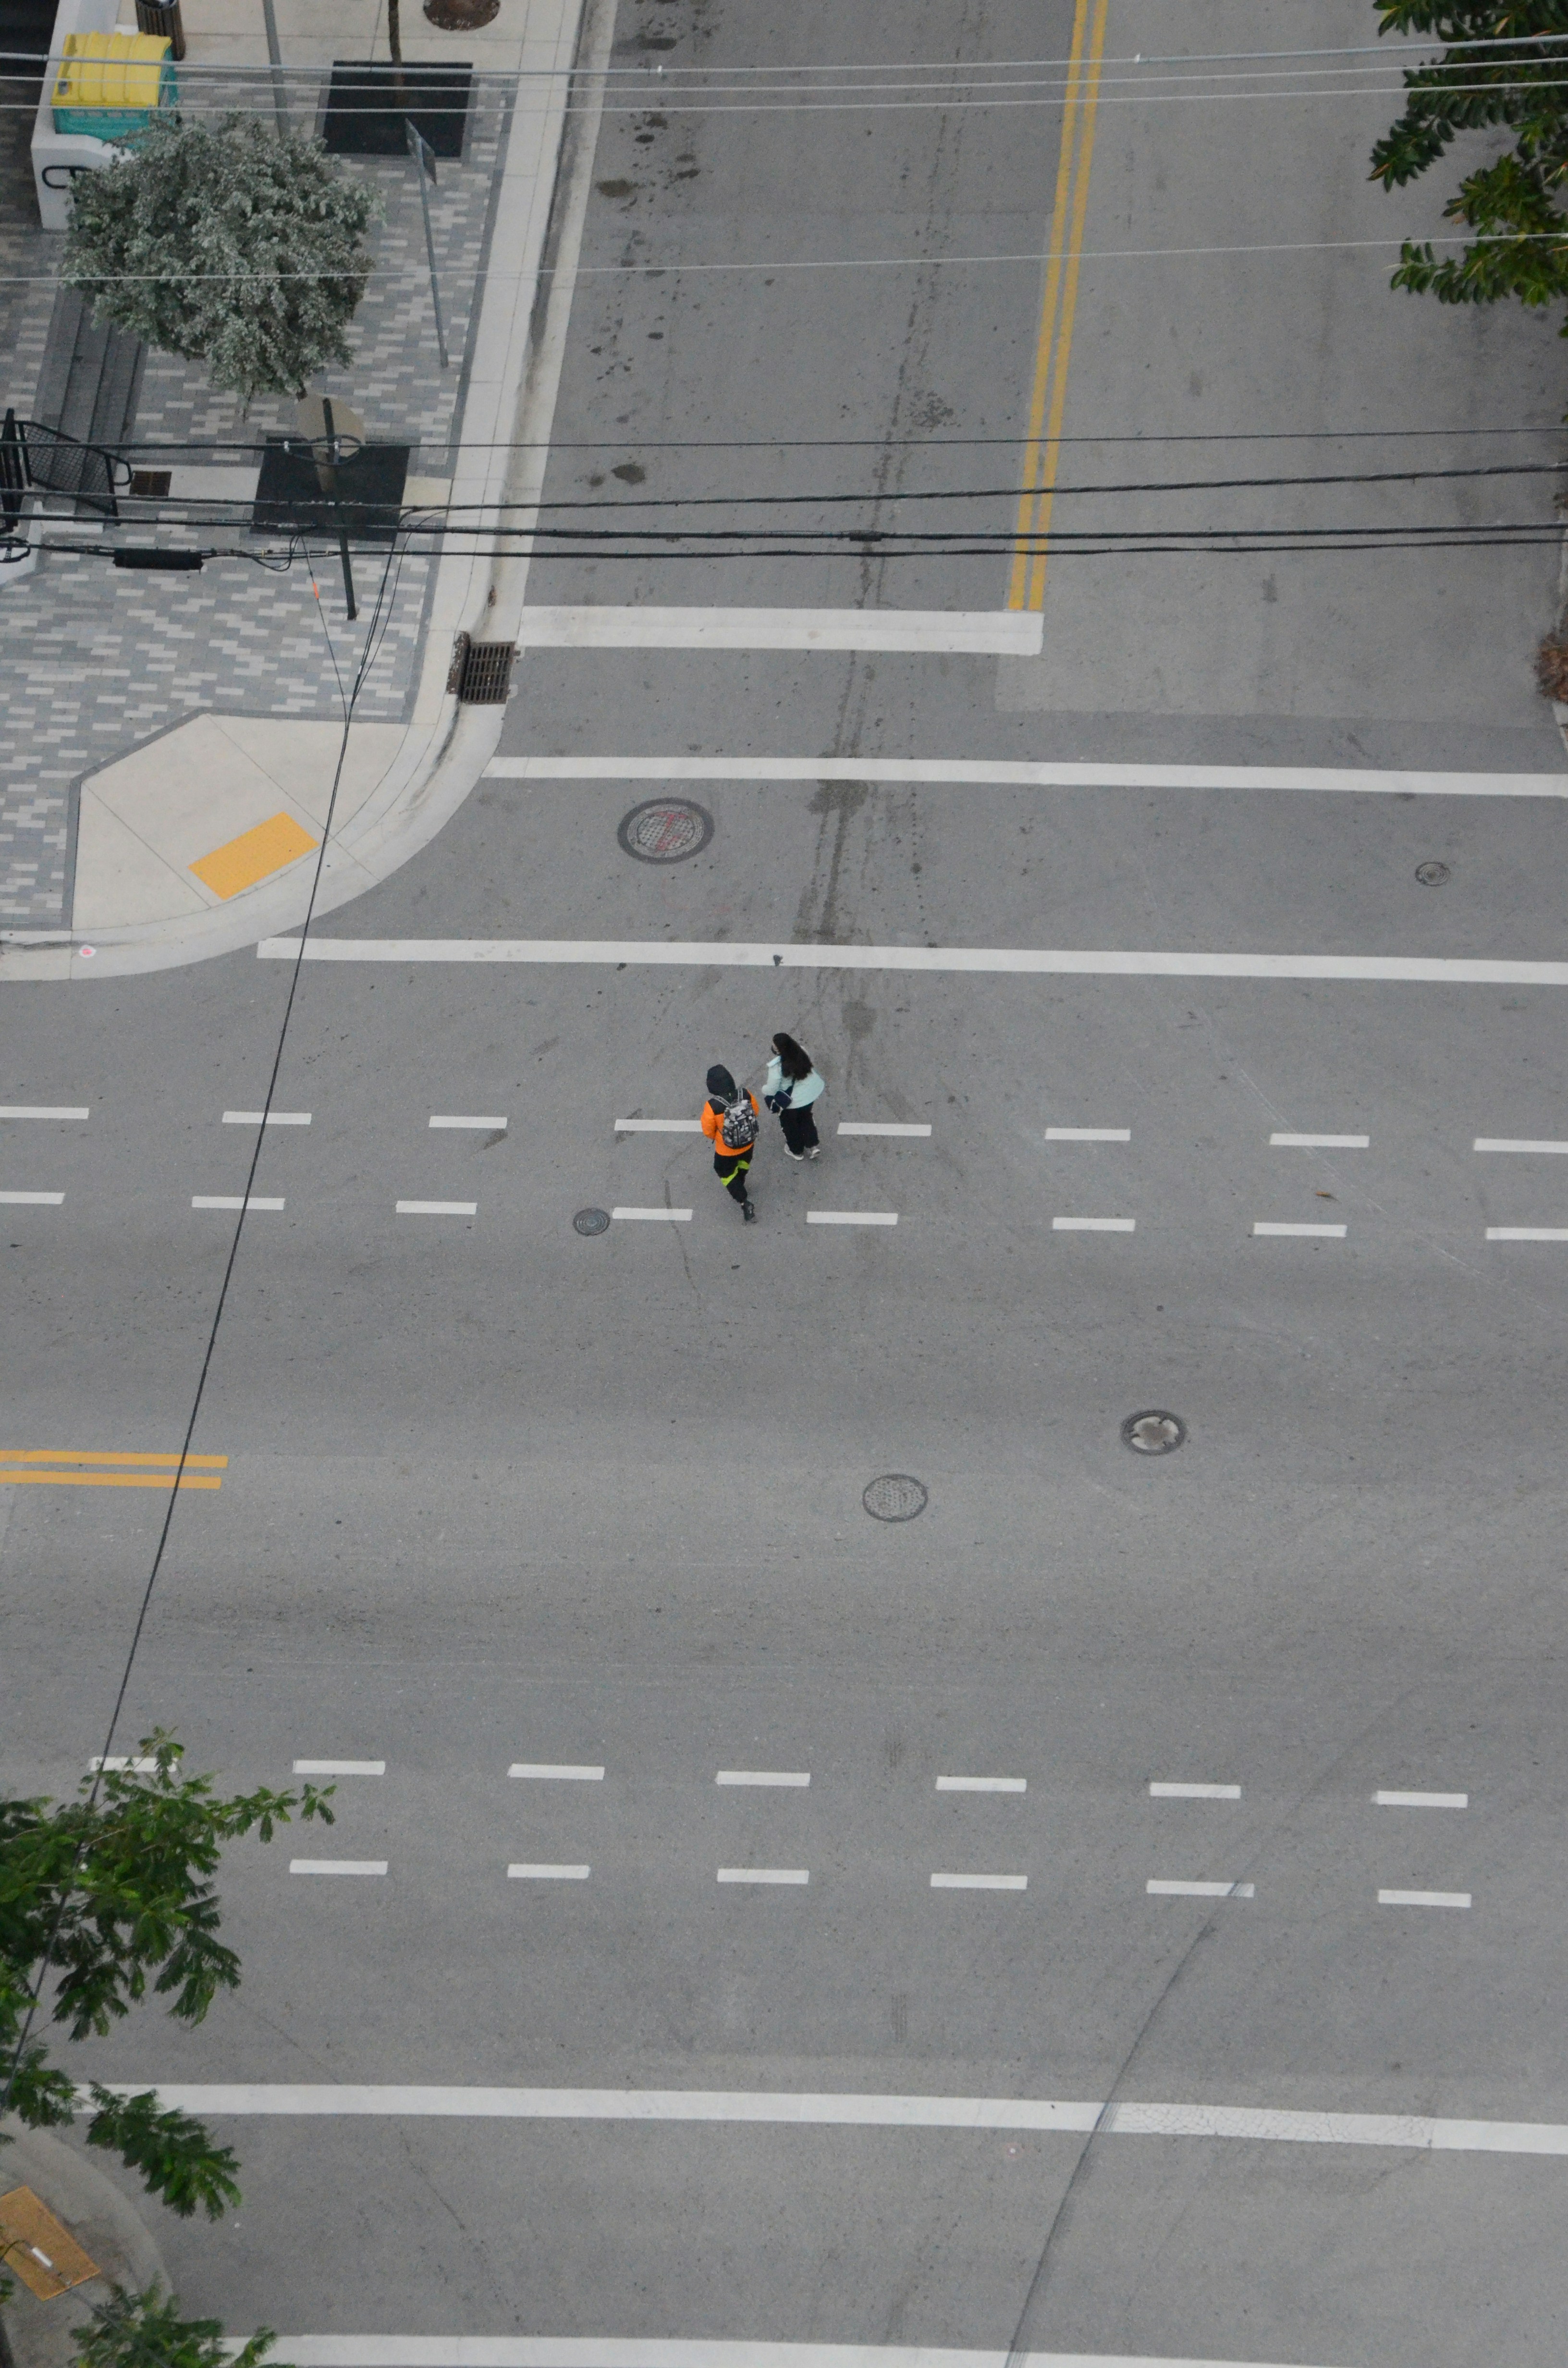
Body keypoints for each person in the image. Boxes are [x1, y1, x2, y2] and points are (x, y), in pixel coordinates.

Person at [700, 1063, 760, 1220]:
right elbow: (756, 1111)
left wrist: (718, 1137)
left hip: (726, 1149)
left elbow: (708, 1130)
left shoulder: (713, 1106)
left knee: (724, 1171)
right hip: (748, 1142)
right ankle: (740, 1181)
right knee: (744, 1163)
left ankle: (743, 1200)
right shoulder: (745, 1094)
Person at [763, 1031, 825, 1161]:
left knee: (790, 1126)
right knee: (806, 1118)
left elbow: (772, 1089)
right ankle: (813, 1145)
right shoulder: (801, 1052)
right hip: (809, 1095)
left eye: (775, 1047)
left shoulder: (777, 1067)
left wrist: (764, 1089)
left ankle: (796, 1151)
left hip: (792, 1102)